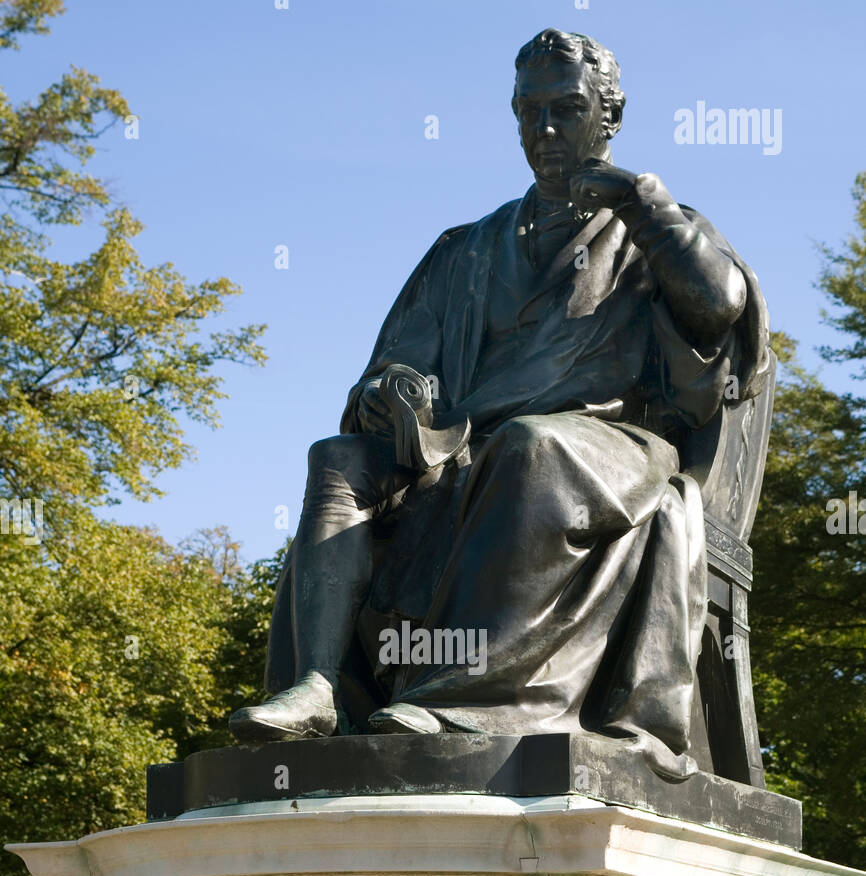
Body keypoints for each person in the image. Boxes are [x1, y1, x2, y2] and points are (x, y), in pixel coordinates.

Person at [230, 28, 769, 780]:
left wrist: (645, 205)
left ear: (609, 114)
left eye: (566, 108)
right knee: (340, 460)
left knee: (530, 445)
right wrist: (393, 391)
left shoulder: (656, 226)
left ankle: (470, 699)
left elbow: (719, 304)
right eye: (529, 111)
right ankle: (320, 686)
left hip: (610, 448)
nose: (544, 129)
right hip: (460, 445)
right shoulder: (468, 247)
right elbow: (394, 361)